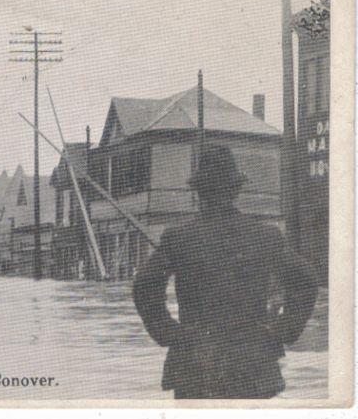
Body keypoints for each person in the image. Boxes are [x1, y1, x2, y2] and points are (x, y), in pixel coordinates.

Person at [133, 144, 319, 399]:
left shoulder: (178, 237)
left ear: (198, 193)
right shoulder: (265, 236)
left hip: (195, 362)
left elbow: (144, 286)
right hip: (254, 362)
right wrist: (283, 330)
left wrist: (169, 333)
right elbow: (306, 282)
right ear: (236, 191)